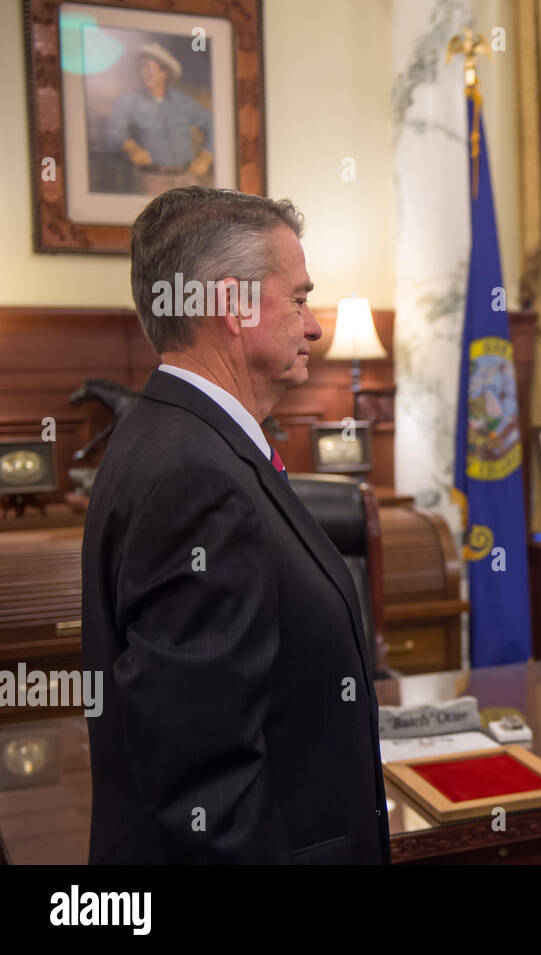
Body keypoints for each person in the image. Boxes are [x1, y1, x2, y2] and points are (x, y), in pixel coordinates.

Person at [81, 186, 389, 863]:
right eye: (300, 299)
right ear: (232, 305)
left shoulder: (175, 435)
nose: (313, 326)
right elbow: (206, 788)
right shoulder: (197, 476)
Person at [105, 42, 214, 194]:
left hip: (186, 179)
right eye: (141, 68)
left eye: (148, 68)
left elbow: (211, 125)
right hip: (150, 179)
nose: (143, 73)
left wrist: (205, 157)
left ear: (164, 72)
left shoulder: (183, 102)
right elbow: (113, 132)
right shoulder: (129, 101)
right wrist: (132, 147)